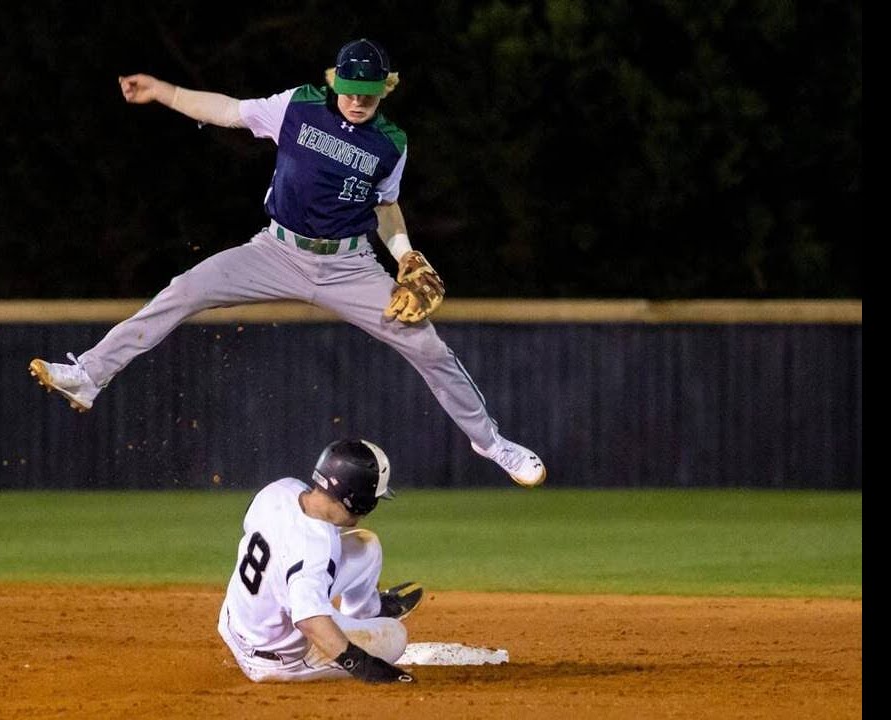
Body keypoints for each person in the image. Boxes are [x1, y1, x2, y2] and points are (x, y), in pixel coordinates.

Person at [28, 38, 546, 488]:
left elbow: (385, 207)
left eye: (367, 94)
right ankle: (89, 376)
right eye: (348, 89)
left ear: (385, 89)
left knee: (429, 348)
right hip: (275, 251)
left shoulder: (391, 143)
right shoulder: (298, 106)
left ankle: (492, 443)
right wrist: (162, 92)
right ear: (333, 81)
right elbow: (227, 110)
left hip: (350, 267)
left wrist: (405, 254)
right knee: (184, 289)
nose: (356, 100)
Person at [217, 438, 423, 683]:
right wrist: (362, 665)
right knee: (396, 636)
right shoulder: (316, 549)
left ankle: (366, 612)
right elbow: (309, 621)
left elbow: (253, 523)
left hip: (240, 618)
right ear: (357, 498)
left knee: (365, 547)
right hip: (275, 658)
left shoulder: (281, 489)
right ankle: (342, 635)